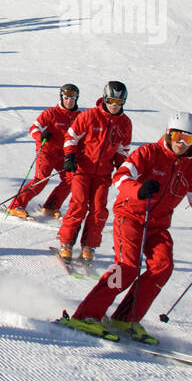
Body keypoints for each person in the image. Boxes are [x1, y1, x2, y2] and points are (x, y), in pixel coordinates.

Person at [60, 112, 192, 343]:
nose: (181, 143)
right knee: (126, 268)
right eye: (178, 136)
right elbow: (121, 176)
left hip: (157, 226)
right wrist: (138, 190)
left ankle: (126, 318)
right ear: (168, 133)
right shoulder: (148, 153)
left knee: (163, 266)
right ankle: (86, 315)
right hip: (130, 216)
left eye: (188, 139)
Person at [56, 81, 133, 262]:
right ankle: (66, 242)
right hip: (82, 169)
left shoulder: (125, 123)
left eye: (119, 102)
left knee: (99, 210)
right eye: (112, 100)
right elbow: (71, 137)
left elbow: (123, 150)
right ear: (105, 98)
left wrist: (122, 170)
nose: (114, 105)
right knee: (79, 204)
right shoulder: (90, 116)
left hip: (103, 174)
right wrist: (69, 157)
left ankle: (89, 245)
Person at [7, 85, 81, 219]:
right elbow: (34, 128)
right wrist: (41, 136)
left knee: (71, 179)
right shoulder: (51, 113)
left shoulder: (79, 117)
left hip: (64, 154)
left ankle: (51, 206)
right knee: (41, 179)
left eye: (73, 98)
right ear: (61, 98)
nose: (69, 101)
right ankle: (15, 205)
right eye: (66, 98)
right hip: (47, 151)